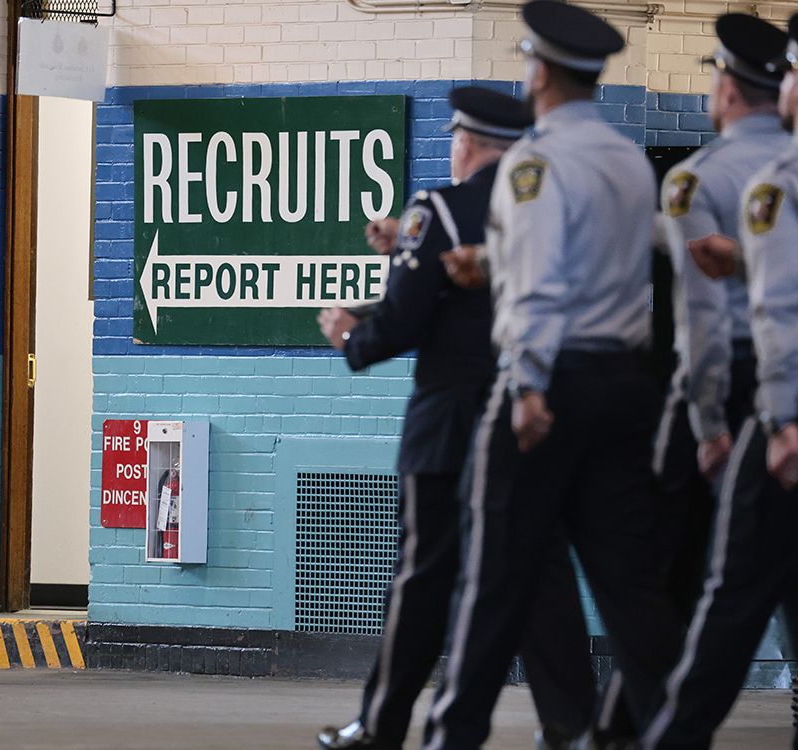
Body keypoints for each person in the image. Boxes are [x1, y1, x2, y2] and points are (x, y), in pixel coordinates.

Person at [419, 3, 683, 748]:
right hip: (625, 387)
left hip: (550, 384)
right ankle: (667, 729)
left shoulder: (532, 165)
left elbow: (539, 282)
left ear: (539, 73)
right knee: (630, 585)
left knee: (492, 575)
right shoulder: (630, 161)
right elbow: (605, 264)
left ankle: (453, 732)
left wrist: (529, 386)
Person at [316, 86, 596, 750]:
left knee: (422, 578)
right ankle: (573, 726)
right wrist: (405, 252)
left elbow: (406, 318)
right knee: (539, 571)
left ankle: (380, 725)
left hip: (448, 421)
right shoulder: (544, 209)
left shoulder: (437, 209)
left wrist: (350, 336)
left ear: (465, 143)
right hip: (530, 410)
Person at [642, 16, 798, 748]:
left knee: (708, 592)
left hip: (766, 400)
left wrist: (715, 424)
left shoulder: (727, 183)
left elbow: (728, 321)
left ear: (729, 89)